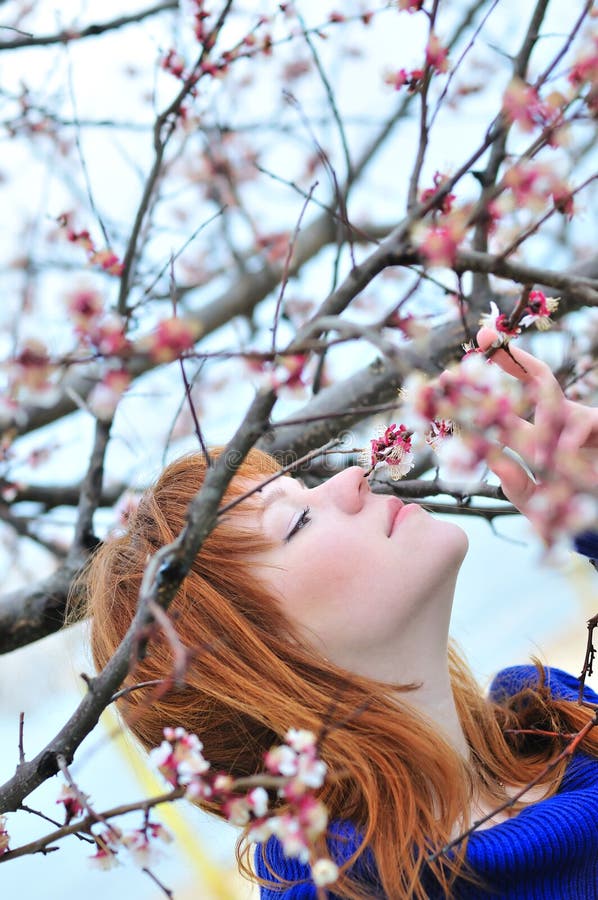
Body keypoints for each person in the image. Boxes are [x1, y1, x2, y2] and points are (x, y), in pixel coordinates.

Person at [85, 330, 598, 899]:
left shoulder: (561, 722)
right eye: (296, 522)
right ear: (258, 660)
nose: (352, 479)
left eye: (304, 487)